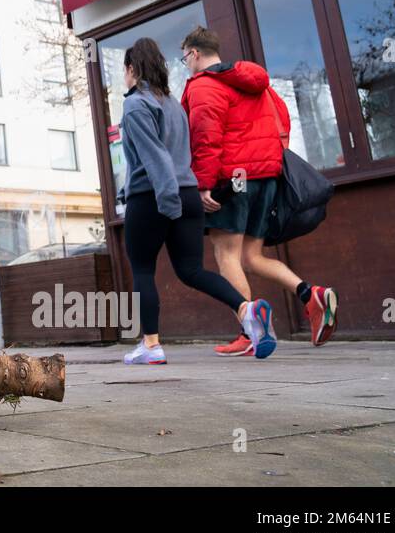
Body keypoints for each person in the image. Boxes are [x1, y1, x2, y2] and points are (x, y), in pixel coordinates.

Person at [179, 26, 338, 354]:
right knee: (251, 255)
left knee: (226, 255)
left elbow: (205, 137)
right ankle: (312, 295)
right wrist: (264, 161)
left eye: (184, 58)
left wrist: (204, 184)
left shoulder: (203, 86)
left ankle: (250, 331)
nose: (185, 65)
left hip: (231, 180)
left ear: (195, 53)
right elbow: (282, 122)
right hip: (267, 175)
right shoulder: (256, 82)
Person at [118, 37, 276, 364]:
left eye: (125, 70)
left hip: (154, 198)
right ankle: (246, 310)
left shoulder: (135, 104)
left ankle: (151, 345)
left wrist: (167, 204)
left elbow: (156, 158)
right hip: (188, 194)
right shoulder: (173, 104)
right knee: (191, 270)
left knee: (143, 270)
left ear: (132, 69)